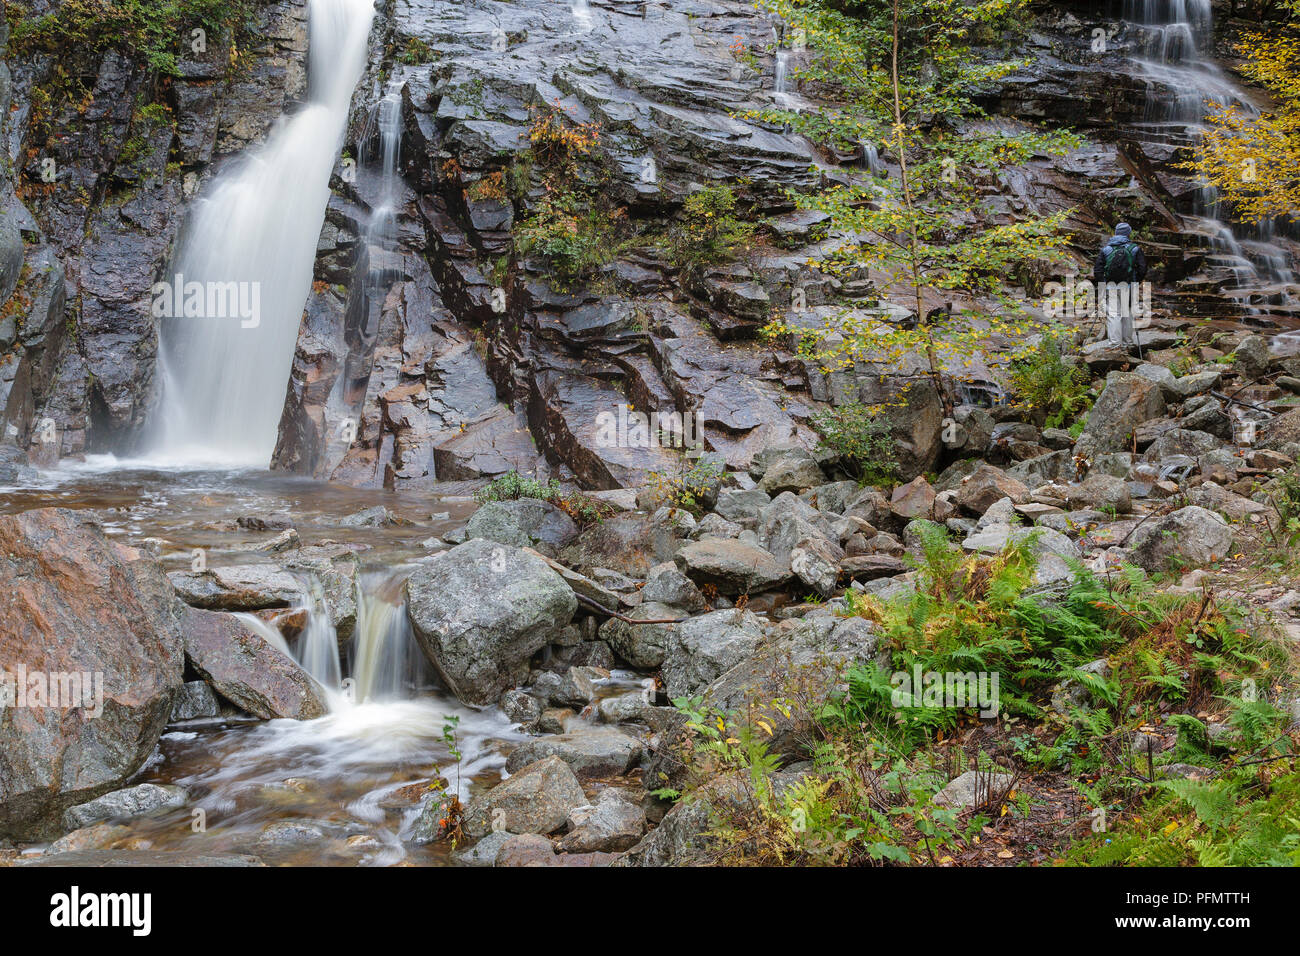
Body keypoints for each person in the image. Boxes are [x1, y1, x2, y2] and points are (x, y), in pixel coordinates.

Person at [1093, 222, 1148, 347]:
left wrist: (1104, 283)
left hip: (1111, 286)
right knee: (1127, 314)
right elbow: (1143, 269)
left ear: (1116, 233)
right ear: (1128, 233)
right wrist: (1135, 281)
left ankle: (1115, 344)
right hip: (1128, 286)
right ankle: (1127, 343)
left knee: (1113, 314)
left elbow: (1097, 270)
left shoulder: (1106, 249)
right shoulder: (1135, 249)